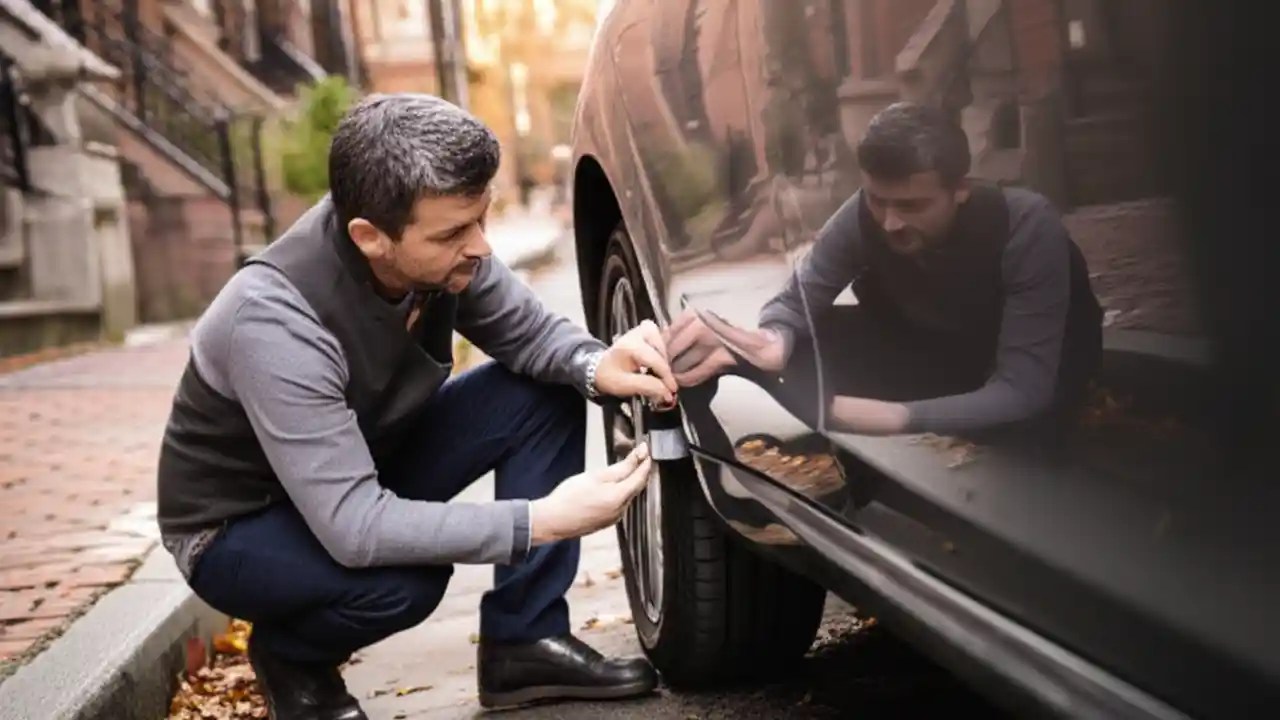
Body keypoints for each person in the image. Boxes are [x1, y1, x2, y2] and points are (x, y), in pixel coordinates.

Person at [155, 94, 679, 719]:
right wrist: (543, 519)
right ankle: (292, 655)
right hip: (239, 527)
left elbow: (535, 337)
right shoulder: (270, 319)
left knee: (546, 387)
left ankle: (526, 641)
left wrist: (598, 363)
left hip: (362, 463)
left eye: (481, 220)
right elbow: (355, 528)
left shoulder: (440, 250)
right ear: (371, 238)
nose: (480, 246)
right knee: (405, 582)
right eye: (456, 232)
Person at [666, 102, 1103, 439]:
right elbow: (794, 303)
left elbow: (1024, 389)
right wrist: (772, 340)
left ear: (960, 191)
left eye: (912, 206)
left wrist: (895, 417)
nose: (890, 222)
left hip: (1039, 370)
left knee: (1029, 417)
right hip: (940, 353)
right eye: (878, 200)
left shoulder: (1025, 227)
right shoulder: (862, 216)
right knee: (798, 345)